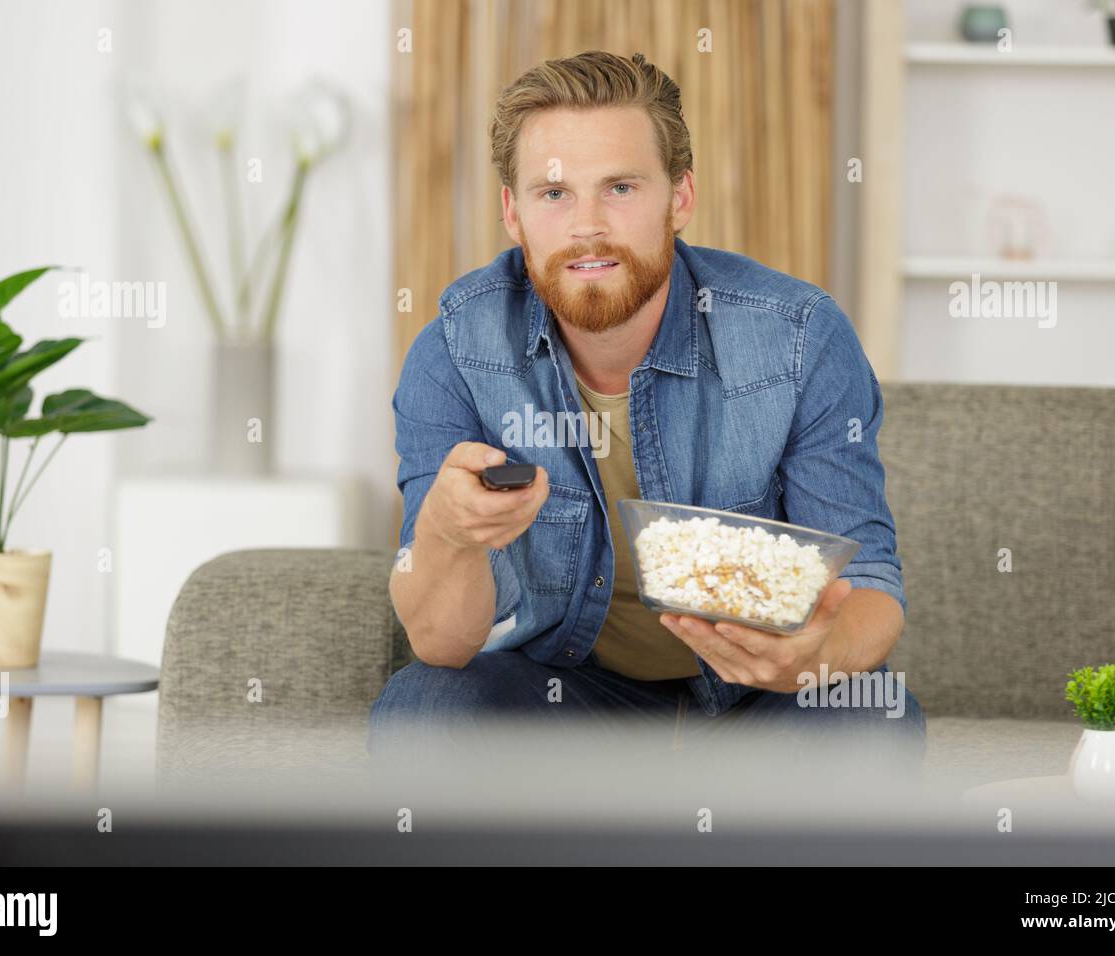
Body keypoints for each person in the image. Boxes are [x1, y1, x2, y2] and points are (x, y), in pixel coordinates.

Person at [369, 50, 925, 778]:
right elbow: (442, 641)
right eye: (554, 194)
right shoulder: (454, 349)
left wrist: (810, 657)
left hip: (756, 700)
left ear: (680, 198)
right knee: (422, 712)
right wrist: (448, 532)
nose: (588, 227)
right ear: (513, 212)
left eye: (621, 187)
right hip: (563, 697)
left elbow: (874, 586)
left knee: (876, 719)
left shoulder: (799, 337)